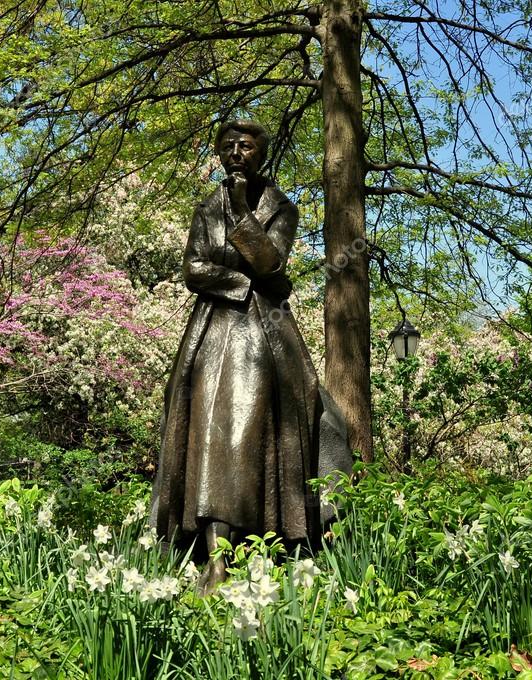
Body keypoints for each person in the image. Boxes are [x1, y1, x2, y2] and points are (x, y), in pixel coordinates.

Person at [149, 120, 333, 594]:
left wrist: (239, 215)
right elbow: (194, 268)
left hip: (264, 330)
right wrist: (247, 282)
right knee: (207, 427)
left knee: (260, 423)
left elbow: (273, 260)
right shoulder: (206, 208)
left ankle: (274, 542)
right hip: (213, 328)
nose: (235, 153)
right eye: (228, 146)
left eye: (245, 146)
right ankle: (215, 555)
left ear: (261, 155)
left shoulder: (281, 209)